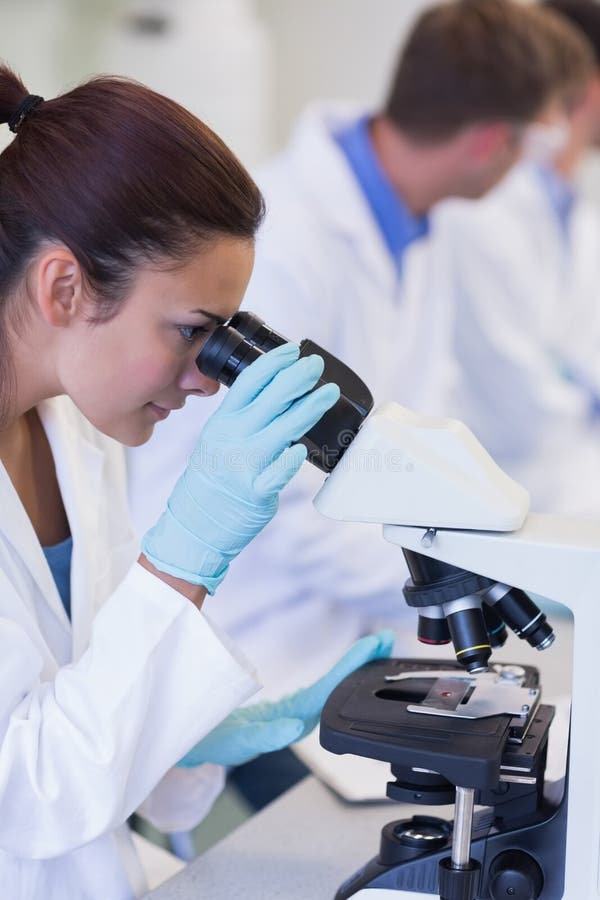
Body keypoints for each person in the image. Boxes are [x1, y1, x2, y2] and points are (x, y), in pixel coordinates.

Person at [127, 0, 591, 808]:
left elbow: (422, 434)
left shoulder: (422, 228)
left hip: (349, 636)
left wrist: (480, 547)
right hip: (256, 648)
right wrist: (464, 566)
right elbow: (269, 497)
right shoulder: (283, 242)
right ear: (492, 141)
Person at [0, 65, 395, 900]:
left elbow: (84, 704)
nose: (208, 376)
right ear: (64, 286)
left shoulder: (77, 427)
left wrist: (197, 737)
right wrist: (184, 560)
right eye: (191, 332)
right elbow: (25, 793)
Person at [435, 0, 600, 517]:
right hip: (521, 491)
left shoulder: (574, 211)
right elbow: (522, 410)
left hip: (567, 480)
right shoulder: (484, 210)